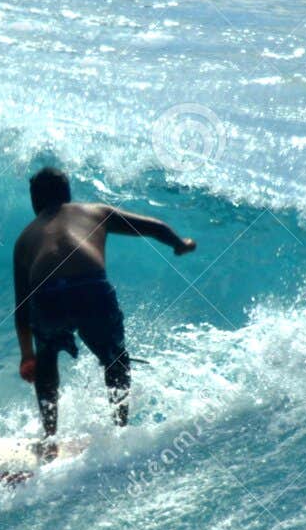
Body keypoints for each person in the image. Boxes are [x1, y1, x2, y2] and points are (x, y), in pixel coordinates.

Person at [13, 166, 196, 436]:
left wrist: (28, 355)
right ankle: (119, 429)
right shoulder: (95, 212)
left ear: (34, 201)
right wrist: (179, 243)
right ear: (67, 194)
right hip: (90, 288)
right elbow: (154, 227)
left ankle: (50, 435)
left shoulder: (24, 239)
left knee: (46, 359)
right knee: (115, 359)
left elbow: (22, 306)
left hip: (48, 296)